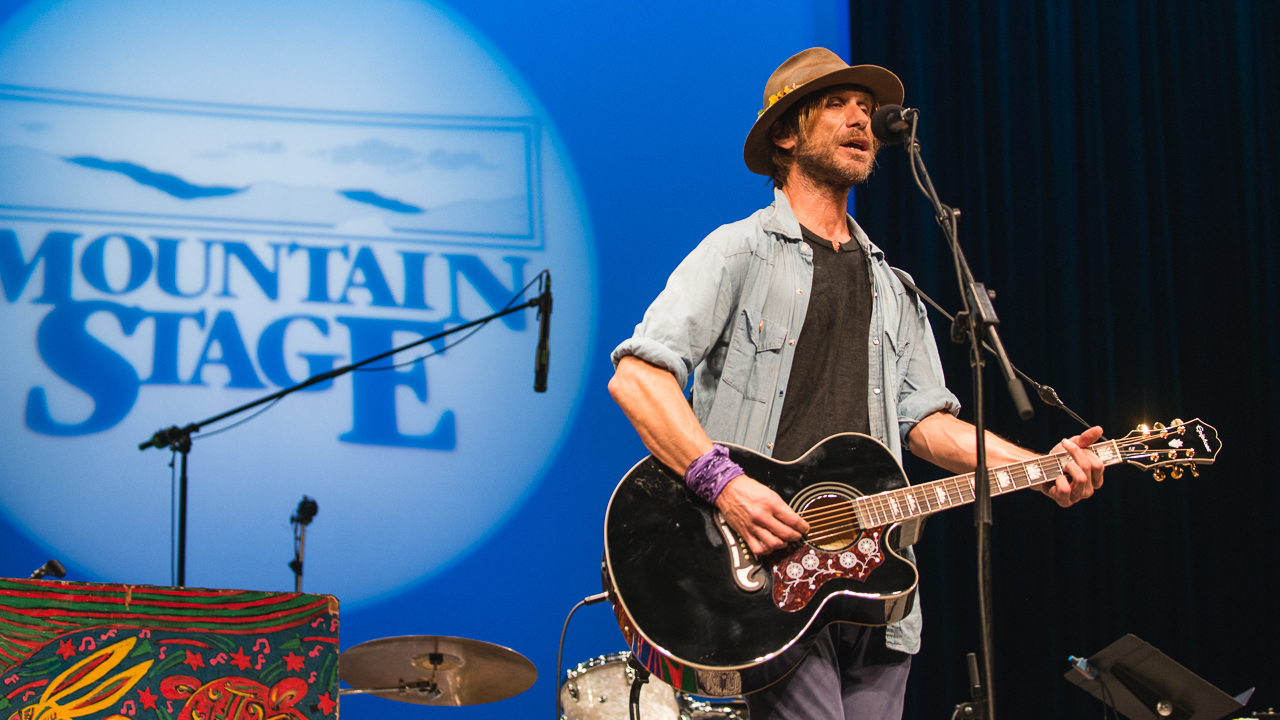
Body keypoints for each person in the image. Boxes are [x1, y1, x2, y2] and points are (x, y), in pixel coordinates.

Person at [607, 47, 1106, 720]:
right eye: (836, 105)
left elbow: (927, 421)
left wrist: (1042, 467)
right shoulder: (737, 252)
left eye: (867, 109)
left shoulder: (894, 286)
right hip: (763, 579)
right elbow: (637, 379)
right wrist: (724, 484)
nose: (860, 119)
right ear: (786, 134)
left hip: (874, 586)